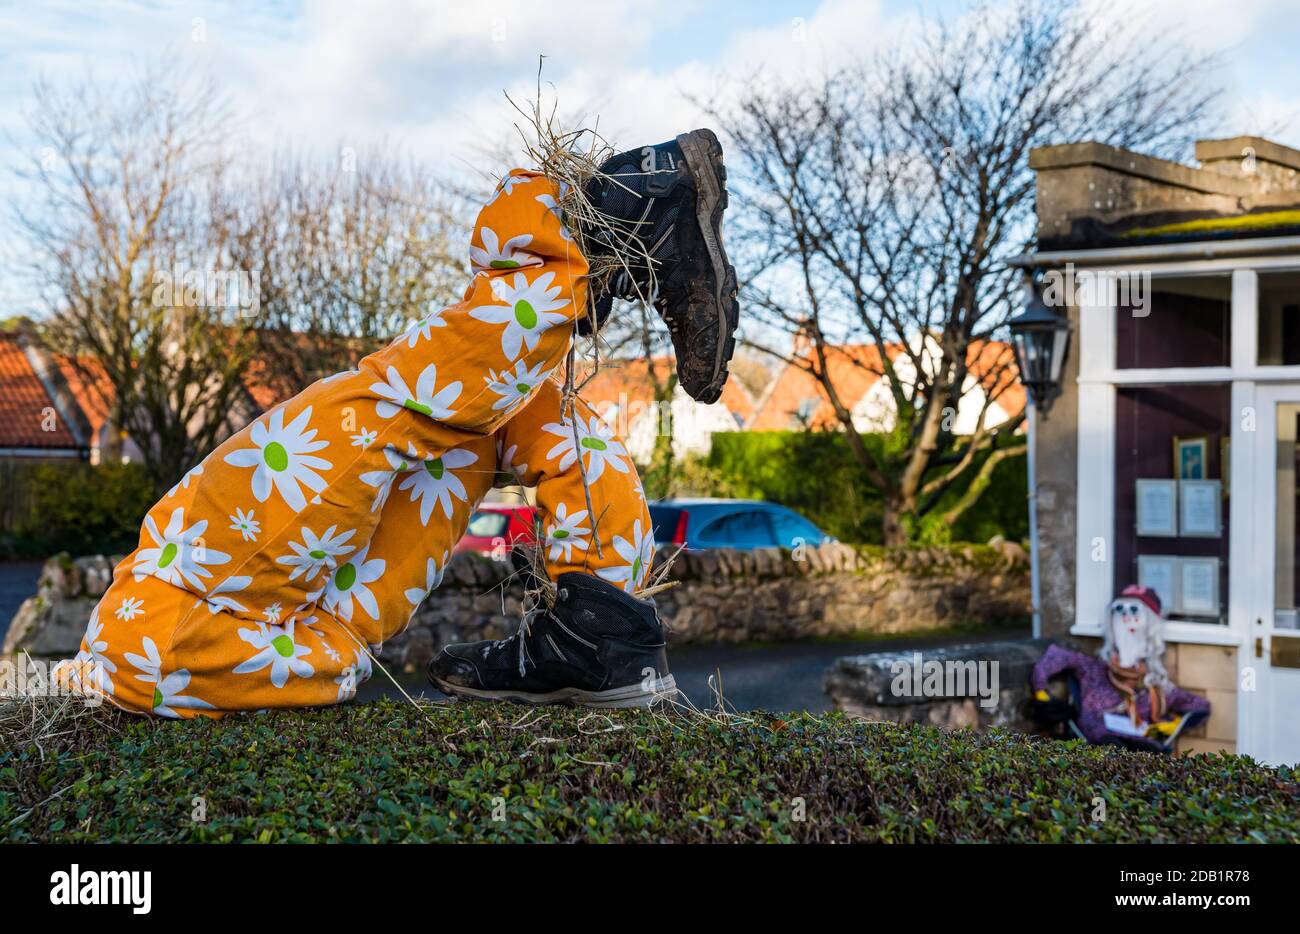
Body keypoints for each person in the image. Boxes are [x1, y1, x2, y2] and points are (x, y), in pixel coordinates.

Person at [55, 129, 739, 717]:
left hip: (176, 613)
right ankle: (601, 629)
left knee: (409, 413)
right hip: (277, 633)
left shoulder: (135, 641)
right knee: (452, 422)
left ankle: (591, 228)